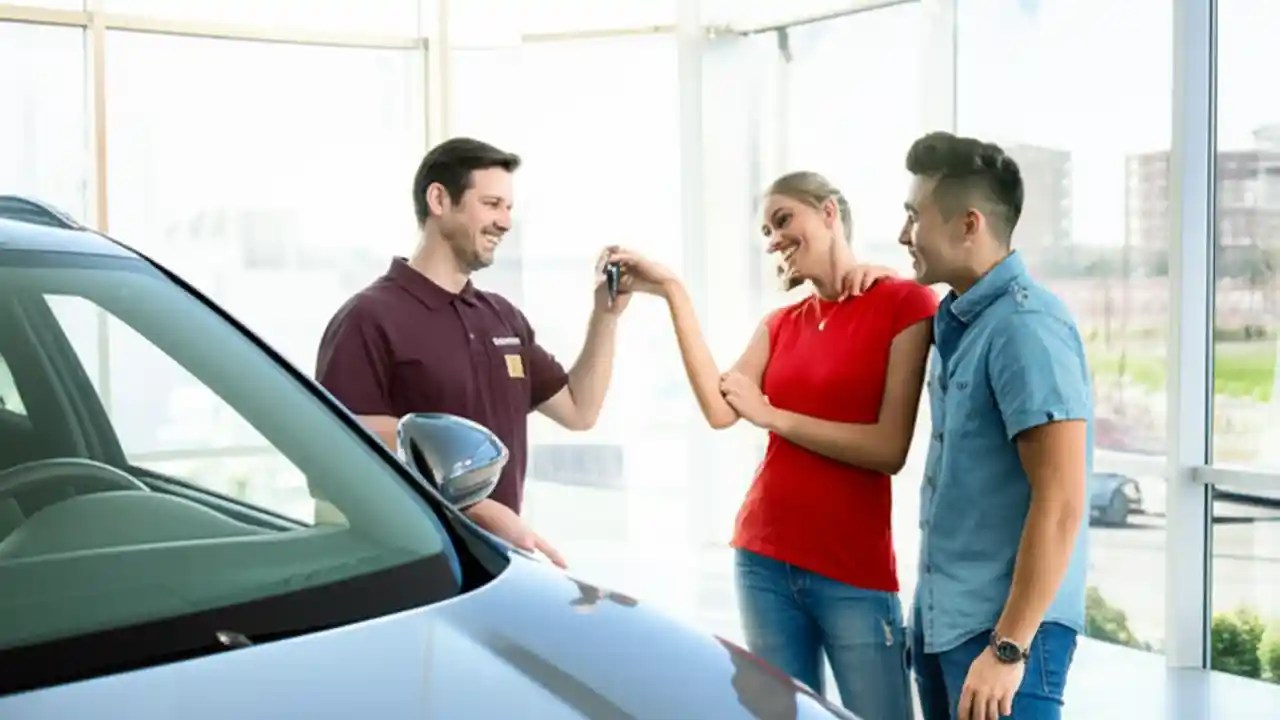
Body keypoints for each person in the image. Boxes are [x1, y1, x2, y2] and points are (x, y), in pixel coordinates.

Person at [609, 171, 938, 720]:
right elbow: (720, 410)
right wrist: (673, 292)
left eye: (783, 219)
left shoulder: (905, 303)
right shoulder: (782, 322)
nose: (773, 239)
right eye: (767, 229)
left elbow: (888, 448)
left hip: (853, 570)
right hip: (763, 559)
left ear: (829, 213)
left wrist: (774, 416)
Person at [315, 137, 630, 569]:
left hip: (498, 565)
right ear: (439, 199)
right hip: (411, 569)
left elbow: (579, 409)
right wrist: (476, 507)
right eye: (492, 203)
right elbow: (335, 444)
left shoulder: (500, 317)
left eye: (509, 209)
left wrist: (605, 316)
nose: (504, 222)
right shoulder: (367, 319)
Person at [898, 131, 1092, 720]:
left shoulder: (1026, 329)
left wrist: (1008, 649)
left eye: (914, 217)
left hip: (1005, 640)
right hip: (948, 627)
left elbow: (1060, 502)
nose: (904, 235)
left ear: (968, 224)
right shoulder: (959, 323)